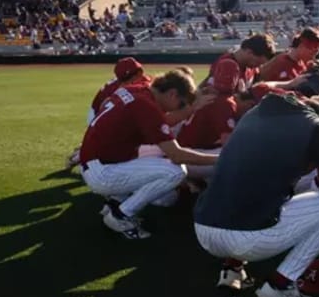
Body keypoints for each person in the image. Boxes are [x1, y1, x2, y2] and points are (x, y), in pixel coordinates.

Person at [193, 93, 319, 297]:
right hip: (244, 238)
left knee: (261, 193)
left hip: (203, 228)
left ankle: (232, 267)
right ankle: (281, 285)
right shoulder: (317, 127)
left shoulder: (254, 114)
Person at [78, 69, 221, 240]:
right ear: (172, 94)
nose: (180, 108)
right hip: (103, 171)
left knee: (164, 187)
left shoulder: (140, 89)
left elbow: (158, 121)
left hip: (97, 161)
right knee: (175, 172)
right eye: (181, 104)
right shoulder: (146, 106)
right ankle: (121, 214)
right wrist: (220, 159)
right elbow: (177, 155)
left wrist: (190, 107)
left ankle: (115, 200)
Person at [68, 57, 150, 168]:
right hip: (99, 112)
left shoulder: (145, 82)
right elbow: (105, 110)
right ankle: (80, 155)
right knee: (108, 144)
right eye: (123, 79)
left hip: (106, 110)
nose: (125, 82)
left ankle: (82, 150)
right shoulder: (118, 88)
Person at [254, 27, 319, 83]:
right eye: (313, 53)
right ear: (302, 46)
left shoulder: (302, 63)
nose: (313, 57)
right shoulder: (281, 63)